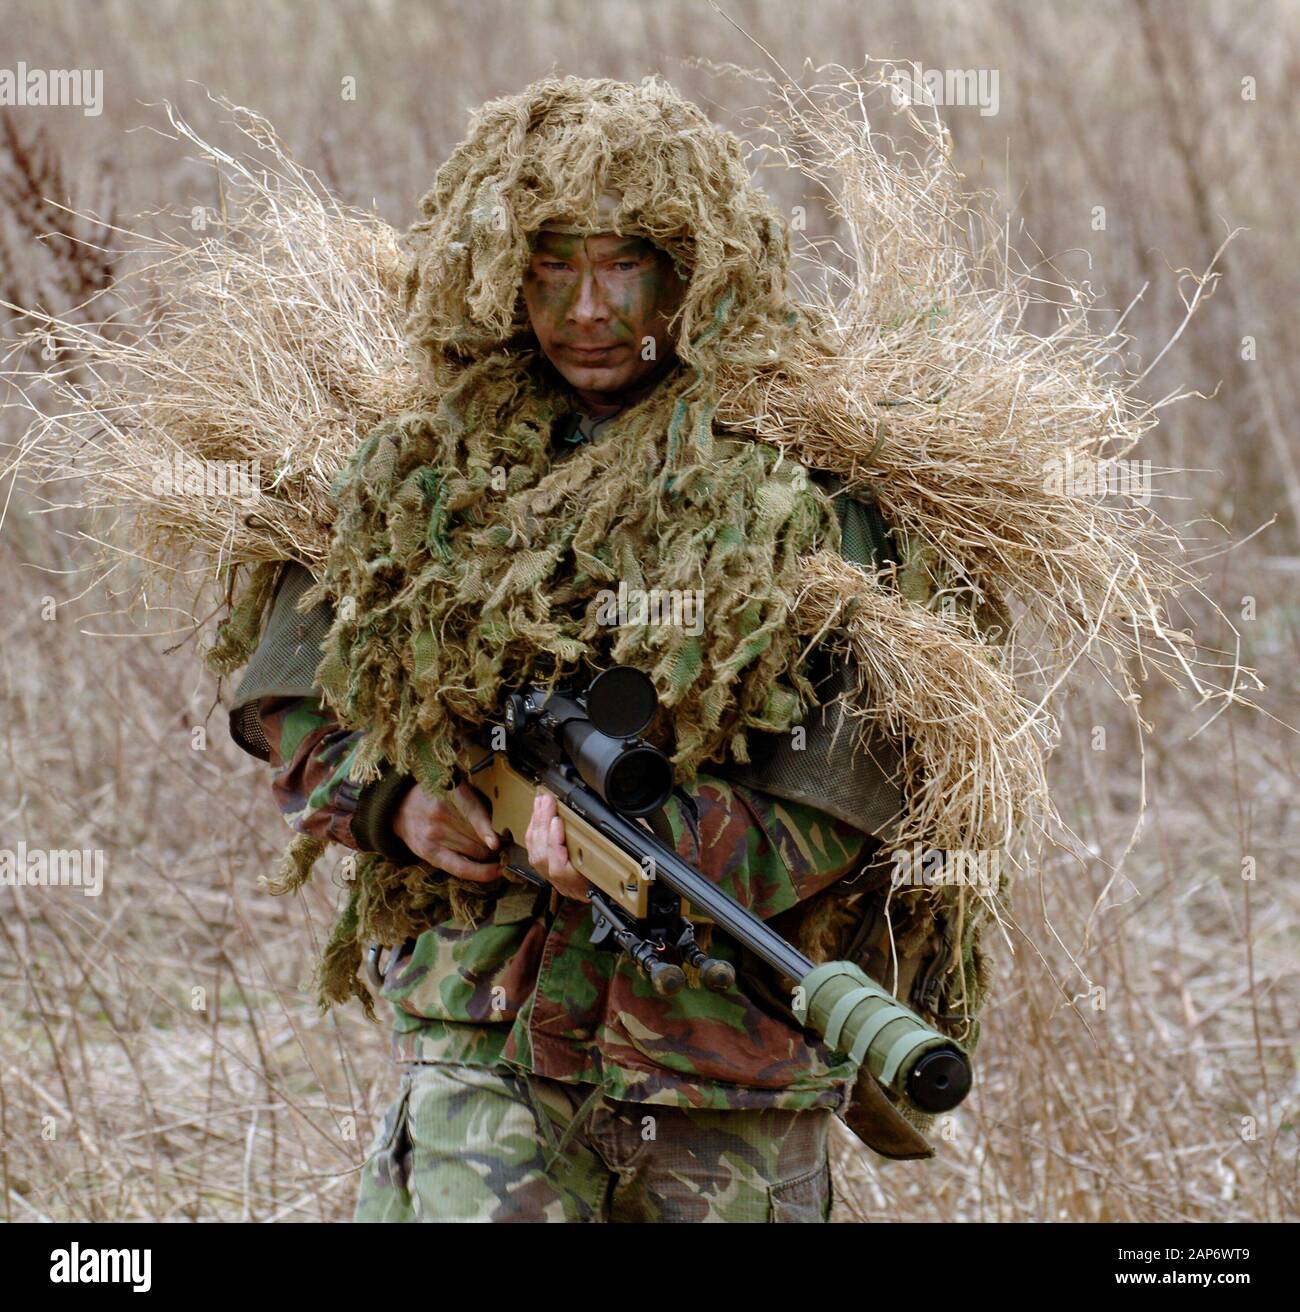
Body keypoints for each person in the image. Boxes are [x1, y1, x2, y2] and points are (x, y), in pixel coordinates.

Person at [226, 76, 977, 1223]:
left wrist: (650, 846)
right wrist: (400, 806)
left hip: (724, 1066)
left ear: (694, 270)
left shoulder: (806, 491)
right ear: (495, 272)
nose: (585, 307)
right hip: (490, 1055)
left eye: (624, 264)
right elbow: (294, 697)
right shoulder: (419, 472)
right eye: (549, 264)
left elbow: (855, 780)